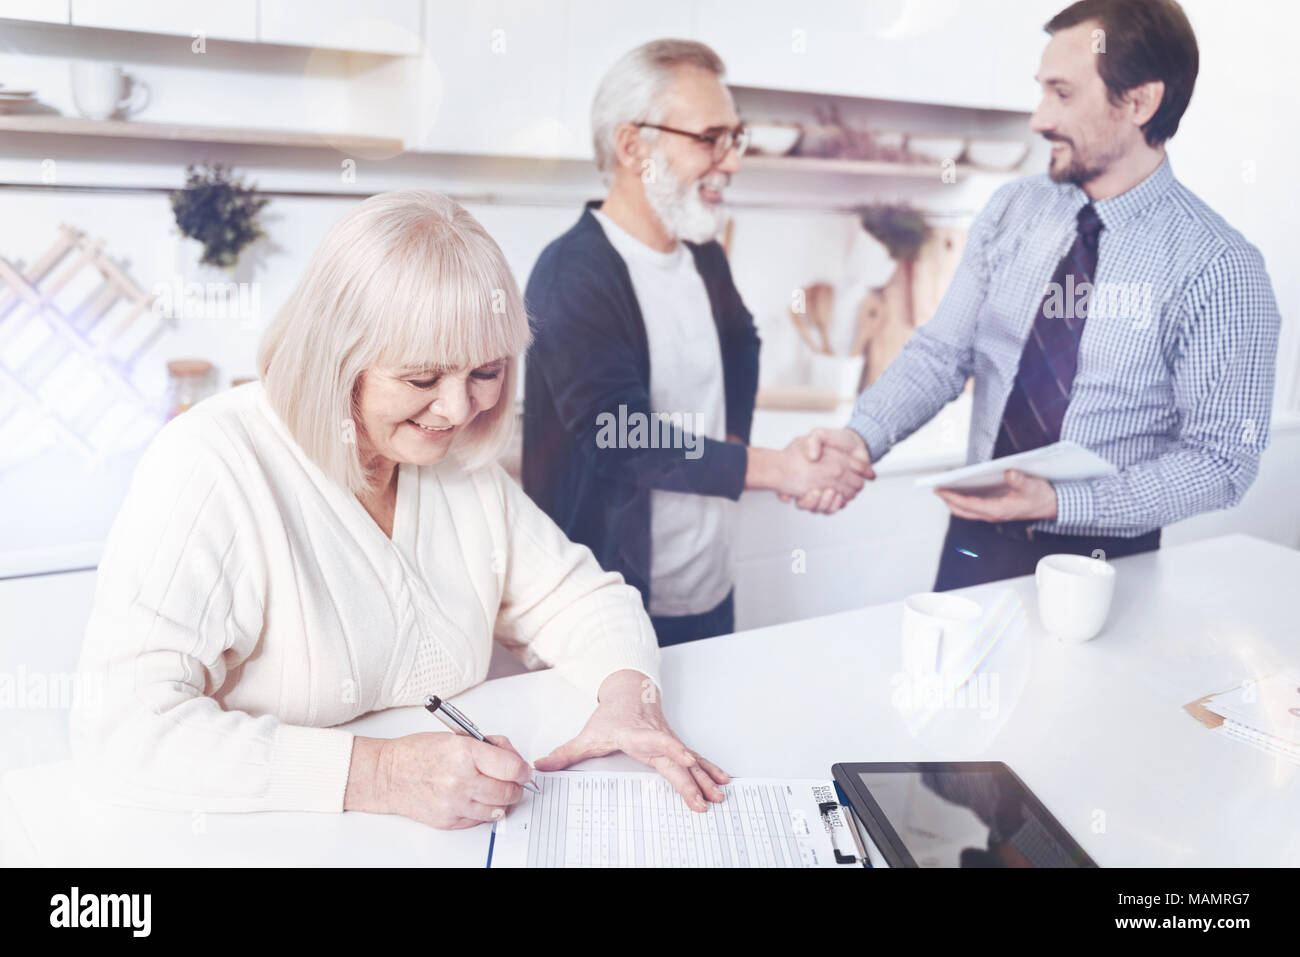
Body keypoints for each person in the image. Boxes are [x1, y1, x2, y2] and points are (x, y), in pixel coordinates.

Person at [70, 190, 730, 830]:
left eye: (486, 371)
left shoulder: (454, 462)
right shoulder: (209, 465)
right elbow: (123, 730)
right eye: (421, 378)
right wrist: (380, 774)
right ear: (337, 358)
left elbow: (582, 600)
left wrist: (627, 697)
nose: (458, 408)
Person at [796, 0, 1279, 590]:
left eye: (1063, 94)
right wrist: (859, 436)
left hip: (1104, 561)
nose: (1038, 118)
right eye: (1041, 91)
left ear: (1139, 102)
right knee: (954, 682)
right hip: (975, 539)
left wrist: (1057, 501)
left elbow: (1223, 460)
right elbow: (941, 355)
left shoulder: (1221, 268)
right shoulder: (1011, 211)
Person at [523, 39, 872, 646]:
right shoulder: (571, 274)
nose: (731, 161)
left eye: (734, 138)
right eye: (709, 138)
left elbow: (743, 343)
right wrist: (778, 468)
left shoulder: (703, 254)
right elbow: (619, 436)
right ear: (634, 147)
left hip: (708, 580)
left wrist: (733, 439)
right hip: (607, 602)